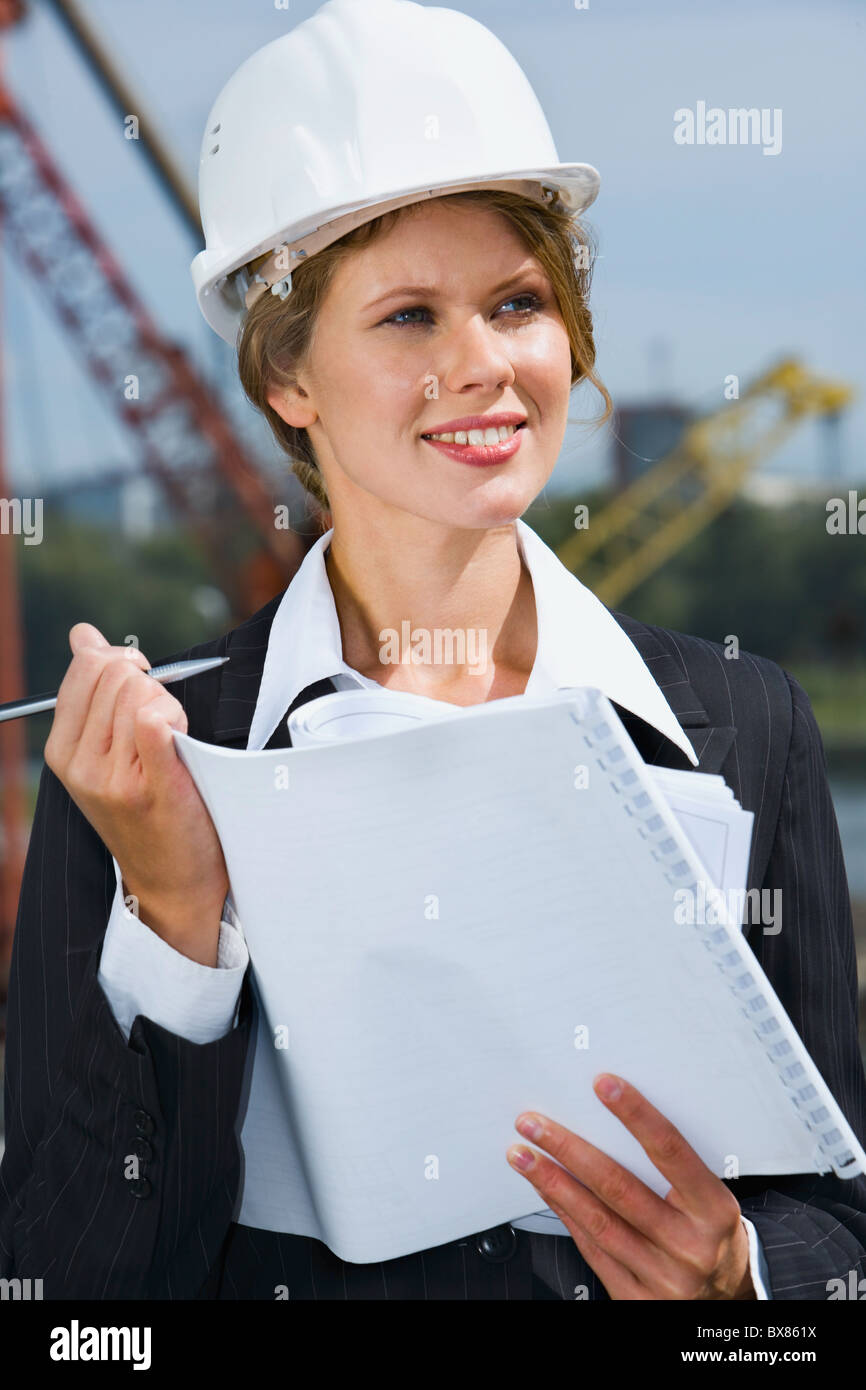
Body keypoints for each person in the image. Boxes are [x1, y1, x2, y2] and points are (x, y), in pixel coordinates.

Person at [2, 0, 865, 1301]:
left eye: (516, 303)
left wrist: (740, 1281)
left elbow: (840, 1242)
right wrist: (176, 918)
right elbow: (71, 1305)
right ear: (287, 380)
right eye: (407, 317)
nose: (483, 366)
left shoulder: (745, 722)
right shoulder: (152, 769)